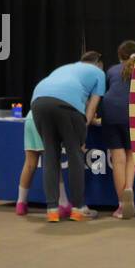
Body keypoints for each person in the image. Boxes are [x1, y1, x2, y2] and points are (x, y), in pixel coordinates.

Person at [29, 51, 106, 222]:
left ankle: (52, 210)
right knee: (75, 155)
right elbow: (92, 106)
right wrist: (82, 131)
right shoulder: (99, 73)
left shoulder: (67, 68)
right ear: (98, 64)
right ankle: (78, 209)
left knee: (50, 155)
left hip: (38, 101)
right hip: (67, 107)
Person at [101, 39, 135, 219]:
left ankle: (121, 205)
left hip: (110, 113)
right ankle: (129, 188)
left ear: (119, 55)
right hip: (132, 113)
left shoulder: (111, 70)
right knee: (132, 154)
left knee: (118, 160)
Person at [14, 109, 73, 218]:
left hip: (31, 117)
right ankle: (63, 203)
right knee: (53, 163)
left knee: (30, 163)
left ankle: (21, 203)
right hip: (45, 119)